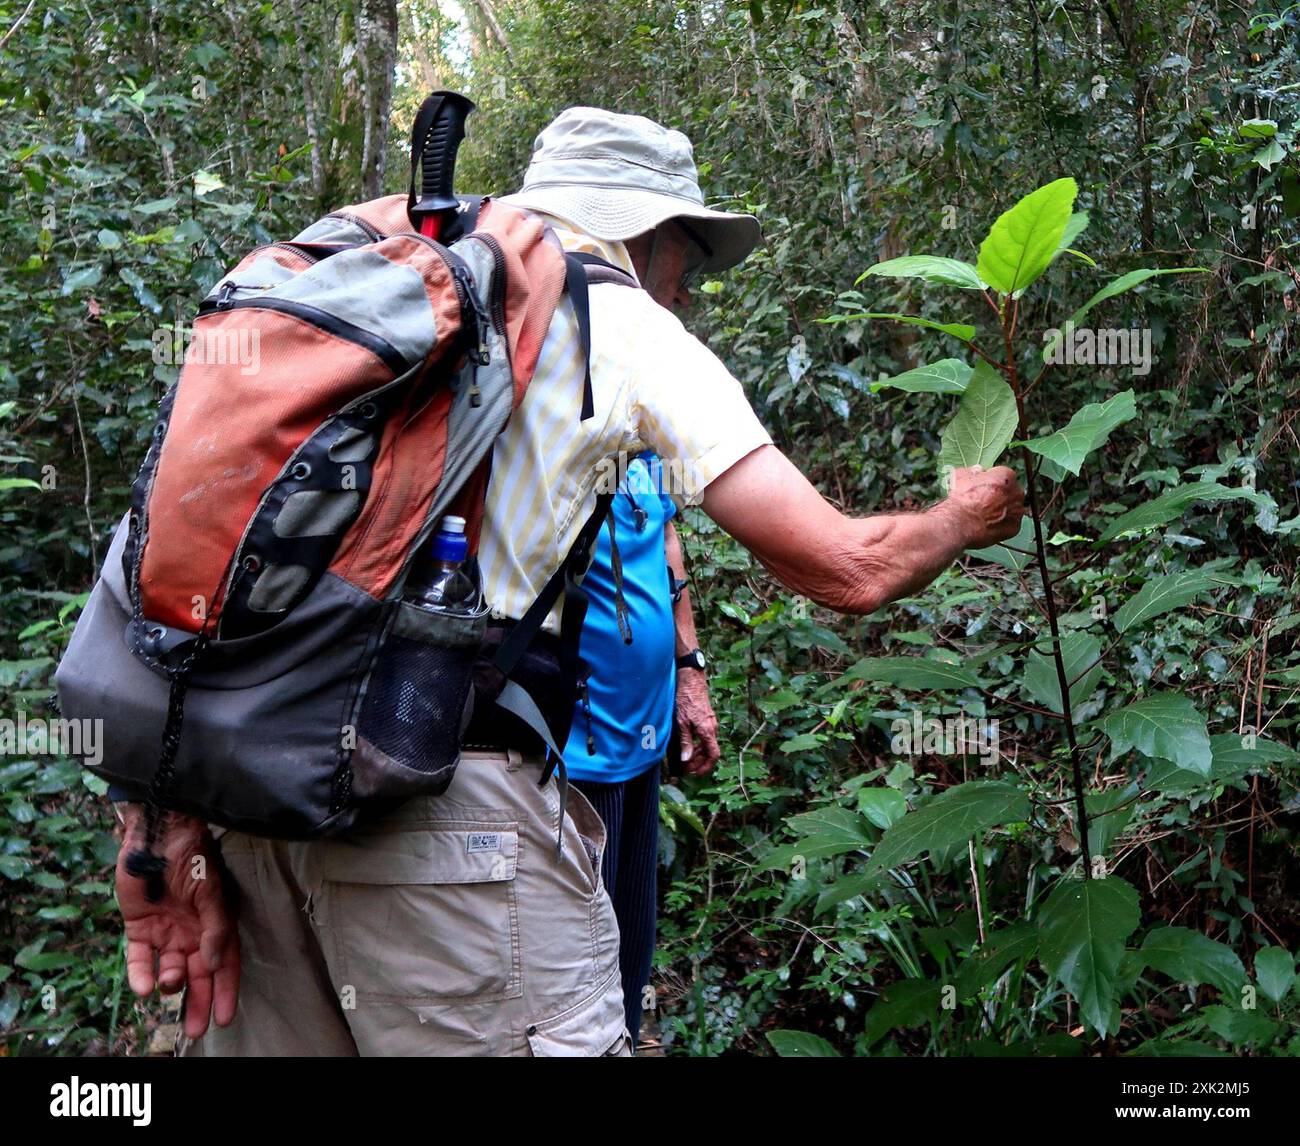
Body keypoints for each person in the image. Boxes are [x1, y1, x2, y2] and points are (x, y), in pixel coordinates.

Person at [114, 105, 1027, 1055]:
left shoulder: (357, 294)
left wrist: (156, 831)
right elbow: (848, 569)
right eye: (691, 259)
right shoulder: (618, 322)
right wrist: (963, 516)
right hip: (448, 834)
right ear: (650, 233)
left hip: (248, 810)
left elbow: (180, 566)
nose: (688, 288)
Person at [561, 448, 718, 1049]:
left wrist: (690, 671)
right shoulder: (551, 430)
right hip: (571, 753)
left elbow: (665, 534)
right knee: (576, 959)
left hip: (641, 743)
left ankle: (625, 1036)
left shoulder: (643, 436)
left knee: (631, 940)